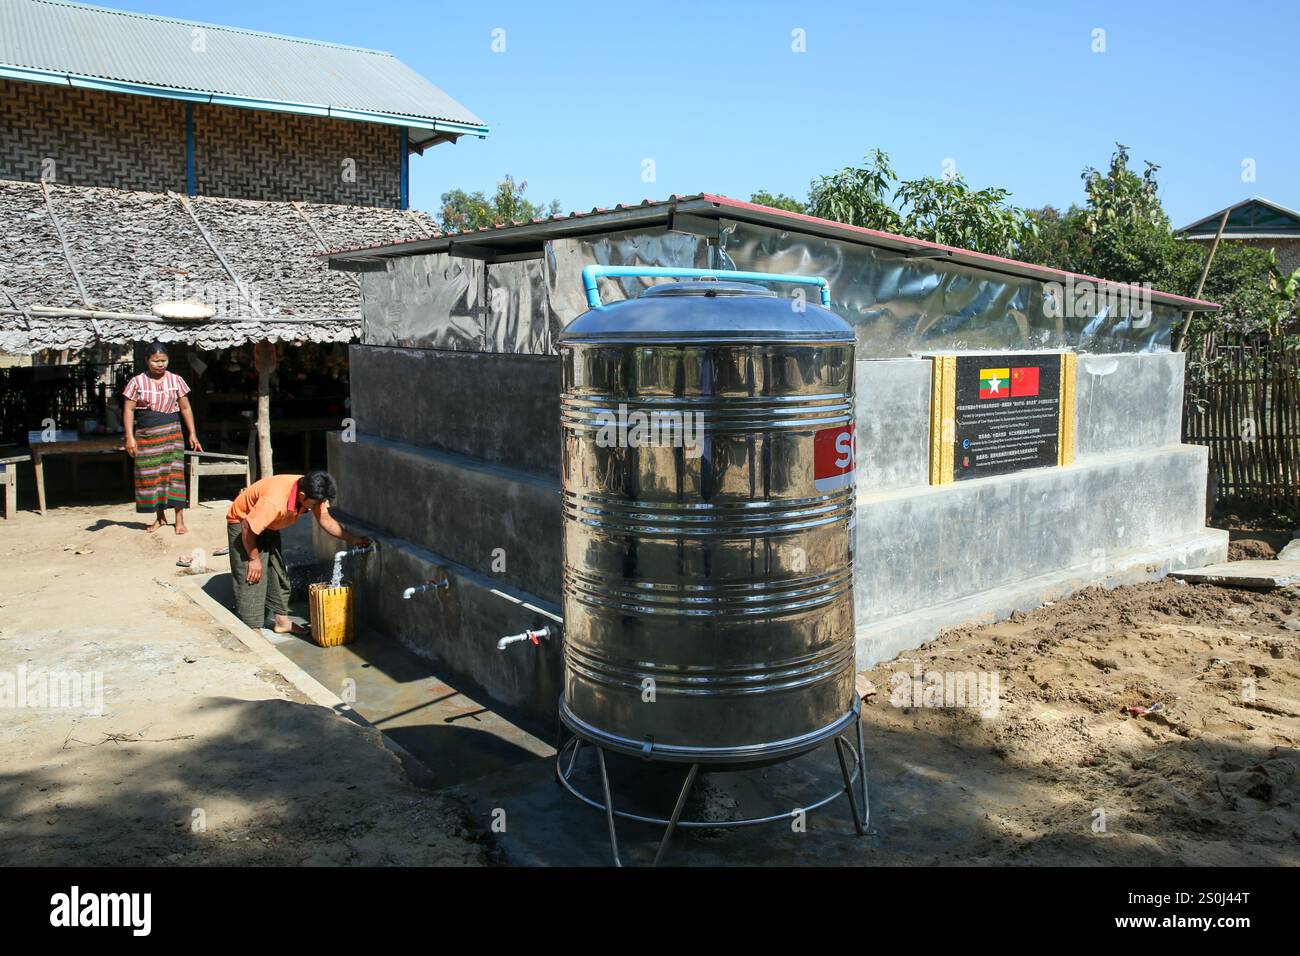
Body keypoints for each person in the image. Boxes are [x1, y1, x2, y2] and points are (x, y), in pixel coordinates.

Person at [225, 470, 371, 635]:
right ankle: (252, 629)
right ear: (302, 495)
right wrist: (253, 559)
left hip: (270, 524)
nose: (317, 507)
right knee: (252, 576)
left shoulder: (314, 491)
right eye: (315, 504)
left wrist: (353, 539)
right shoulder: (274, 501)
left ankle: (282, 622)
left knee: (277, 572)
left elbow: (325, 520)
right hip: (244, 522)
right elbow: (247, 528)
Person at [122, 342, 201, 534]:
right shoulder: (136, 382)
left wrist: (192, 433)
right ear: (147, 361)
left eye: (164, 361)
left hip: (172, 433)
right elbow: (128, 410)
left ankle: (179, 520)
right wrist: (129, 437)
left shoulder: (176, 380)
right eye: (156, 361)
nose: (160, 364)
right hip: (147, 436)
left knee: (174, 475)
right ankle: (160, 518)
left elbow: (185, 407)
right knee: (152, 476)